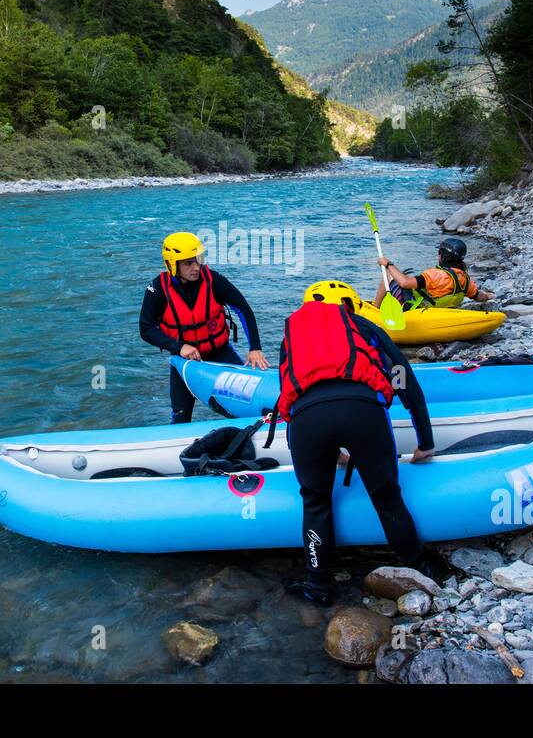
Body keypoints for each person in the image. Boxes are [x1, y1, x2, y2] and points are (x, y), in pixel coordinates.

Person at [276, 280, 446, 605]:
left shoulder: (292, 336)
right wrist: (425, 441)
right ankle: (421, 567)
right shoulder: (364, 326)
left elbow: (287, 393)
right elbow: (406, 382)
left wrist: (328, 450)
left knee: (315, 503)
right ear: (350, 306)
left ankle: (318, 587)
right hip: (361, 411)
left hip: (307, 422)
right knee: (386, 498)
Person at [140, 231, 269, 423]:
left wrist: (255, 348)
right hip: (185, 362)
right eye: (188, 263)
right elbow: (146, 329)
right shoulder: (157, 289)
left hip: (220, 354)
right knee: (181, 416)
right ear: (172, 265)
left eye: (198, 259)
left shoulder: (214, 280)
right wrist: (179, 347)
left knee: (244, 405)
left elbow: (243, 309)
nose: (196, 267)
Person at [375, 236, 495, 309]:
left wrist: (388, 264)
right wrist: (489, 296)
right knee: (404, 275)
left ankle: (376, 310)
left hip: (418, 307)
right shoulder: (464, 278)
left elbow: (404, 283)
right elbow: (478, 296)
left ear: (441, 256)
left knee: (388, 274)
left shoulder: (434, 274)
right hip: (442, 307)